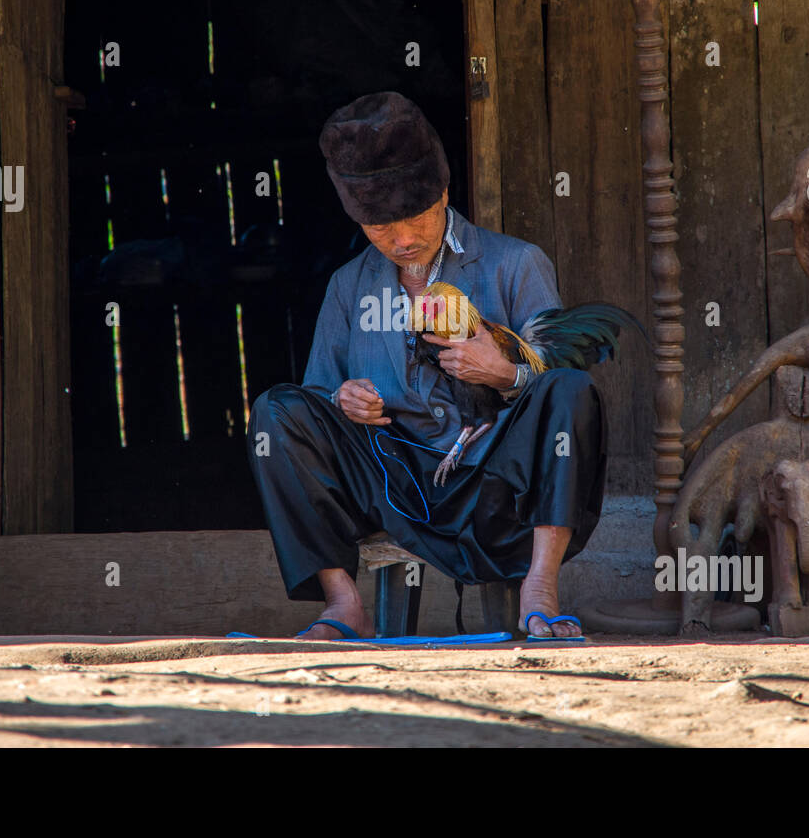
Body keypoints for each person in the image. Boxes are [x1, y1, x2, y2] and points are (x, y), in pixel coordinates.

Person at [246, 91, 607, 639]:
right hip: (391, 478)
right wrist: (343, 401)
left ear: (442, 194)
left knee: (571, 391)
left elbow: (551, 376)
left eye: (414, 219)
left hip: (490, 473)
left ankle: (540, 586)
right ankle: (343, 603)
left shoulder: (515, 264)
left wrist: (504, 372)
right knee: (277, 411)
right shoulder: (349, 286)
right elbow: (316, 397)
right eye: (380, 230)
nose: (403, 240)